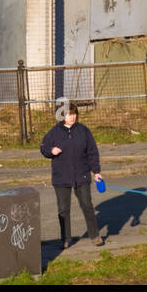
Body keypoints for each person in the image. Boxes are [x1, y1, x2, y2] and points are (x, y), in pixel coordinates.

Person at [39, 102, 104, 248]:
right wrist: (51, 151)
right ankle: (66, 239)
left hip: (82, 175)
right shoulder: (53, 132)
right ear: (62, 116)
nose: (72, 117)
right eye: (69, 114)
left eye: (74, 114)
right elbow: (43, 148)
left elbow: (92, 152)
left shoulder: (84, 131)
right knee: (63, 209)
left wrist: (96, 172)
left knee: (87, 205)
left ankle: (95, 236)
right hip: (61, 177)